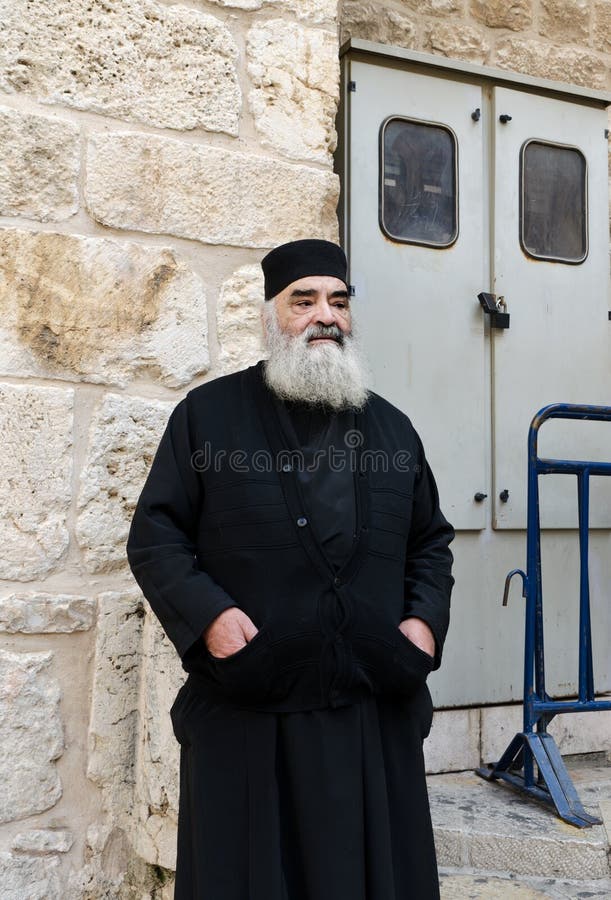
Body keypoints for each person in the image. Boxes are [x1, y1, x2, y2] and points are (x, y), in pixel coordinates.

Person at [126, 238, 455, 900]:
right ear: (271, 315)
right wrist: (212, 619)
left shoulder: (393, 430)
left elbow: (430, 541)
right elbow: (156, 536)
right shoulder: (207, 417)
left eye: (338, 301)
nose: (324, 315)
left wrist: (421, 626)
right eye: (303, 300)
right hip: (252, 715)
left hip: (371, 716)